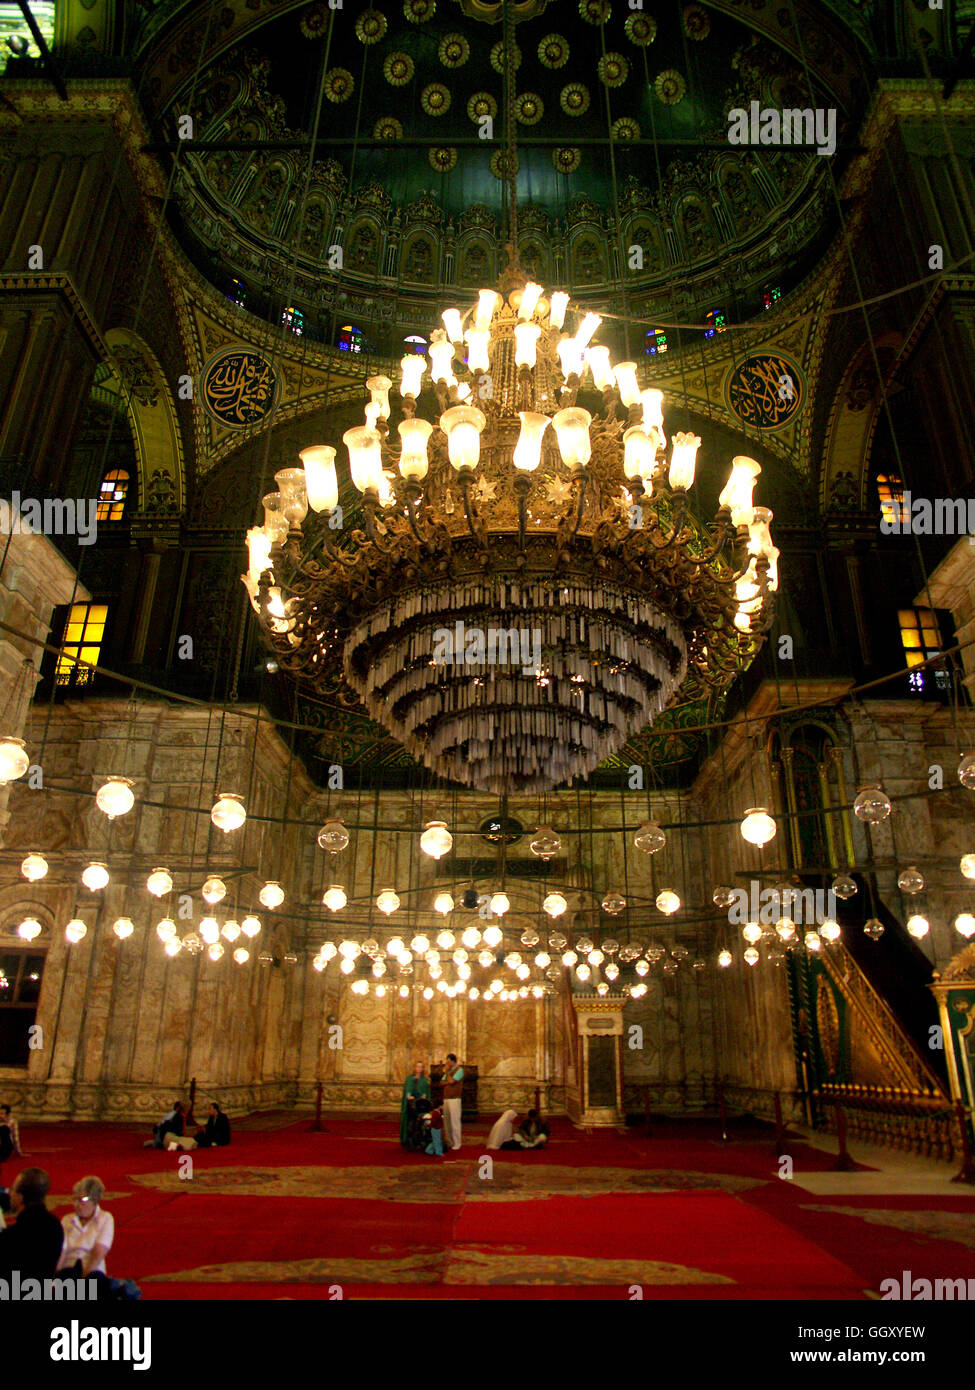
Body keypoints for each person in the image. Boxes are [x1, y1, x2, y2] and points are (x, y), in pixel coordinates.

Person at [0, 1168, 63, 1279]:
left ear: (20, 1198)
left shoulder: (13, 1236)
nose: (9, 1193)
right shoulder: (56, 1226)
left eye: (13, 1189)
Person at [56, 1176, 114, 1276]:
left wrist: (84, 1278)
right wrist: (55, 1275)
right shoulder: (67, 1220)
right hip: (69, 1269)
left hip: (92, 1270)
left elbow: (98, 1253)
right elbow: (62, 1251)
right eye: (74, 1200)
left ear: (94, 1201)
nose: (75, 1205)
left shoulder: (105, 1218)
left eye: (81, 1200)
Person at [400, 1062, 431, 1147]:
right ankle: (408, 1139)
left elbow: (426, 1092)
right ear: (414, 1068)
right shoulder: (409, 1079)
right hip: (411, 1105)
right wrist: (409, 1096)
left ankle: (420, 1139)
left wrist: (424, 1097)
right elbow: (407, 1091)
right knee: (410, 1121)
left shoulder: (424, 1080)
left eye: (421, 1067)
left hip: (421, 1106)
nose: (419, 1069)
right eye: (417, 1067)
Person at [441, 1054, 464, 1151]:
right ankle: (450, 1142)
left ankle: (457, 1143)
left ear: (453, 1061)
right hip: (446, 1099)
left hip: (455, 1099)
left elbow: (451, 1081)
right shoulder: (448, 1071)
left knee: (455, 1122)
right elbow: (441, 1083)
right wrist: (448, 1079)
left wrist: (447, 1073)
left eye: (448, 1061)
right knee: (447, 1122)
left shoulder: (459, 1070)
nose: (447, 1063)